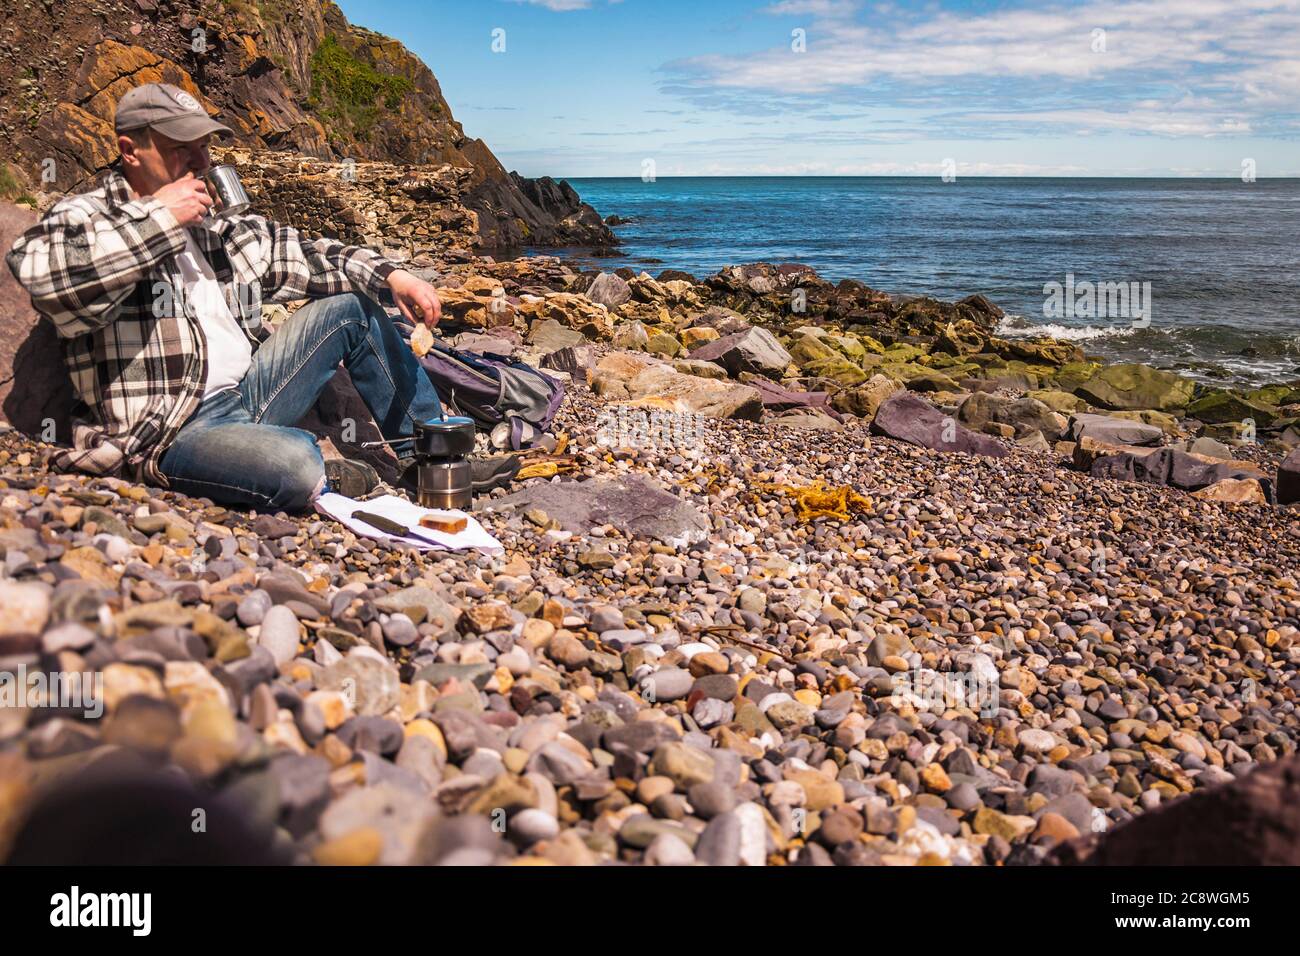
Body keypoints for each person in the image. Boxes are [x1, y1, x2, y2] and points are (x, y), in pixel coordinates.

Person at [6, 82, 481, 512]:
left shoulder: (216, 229)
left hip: (249, 395)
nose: (201, 164)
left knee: (351, 310)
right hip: (169, 430)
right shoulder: (87, 215)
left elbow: (303, 253)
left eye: (204, 148)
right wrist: (158, 218)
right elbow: (48, 277)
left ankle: (428, 457)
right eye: (181, 150)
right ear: (131, 151)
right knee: (295, 462)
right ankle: (302, 467)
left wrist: (394, 275)